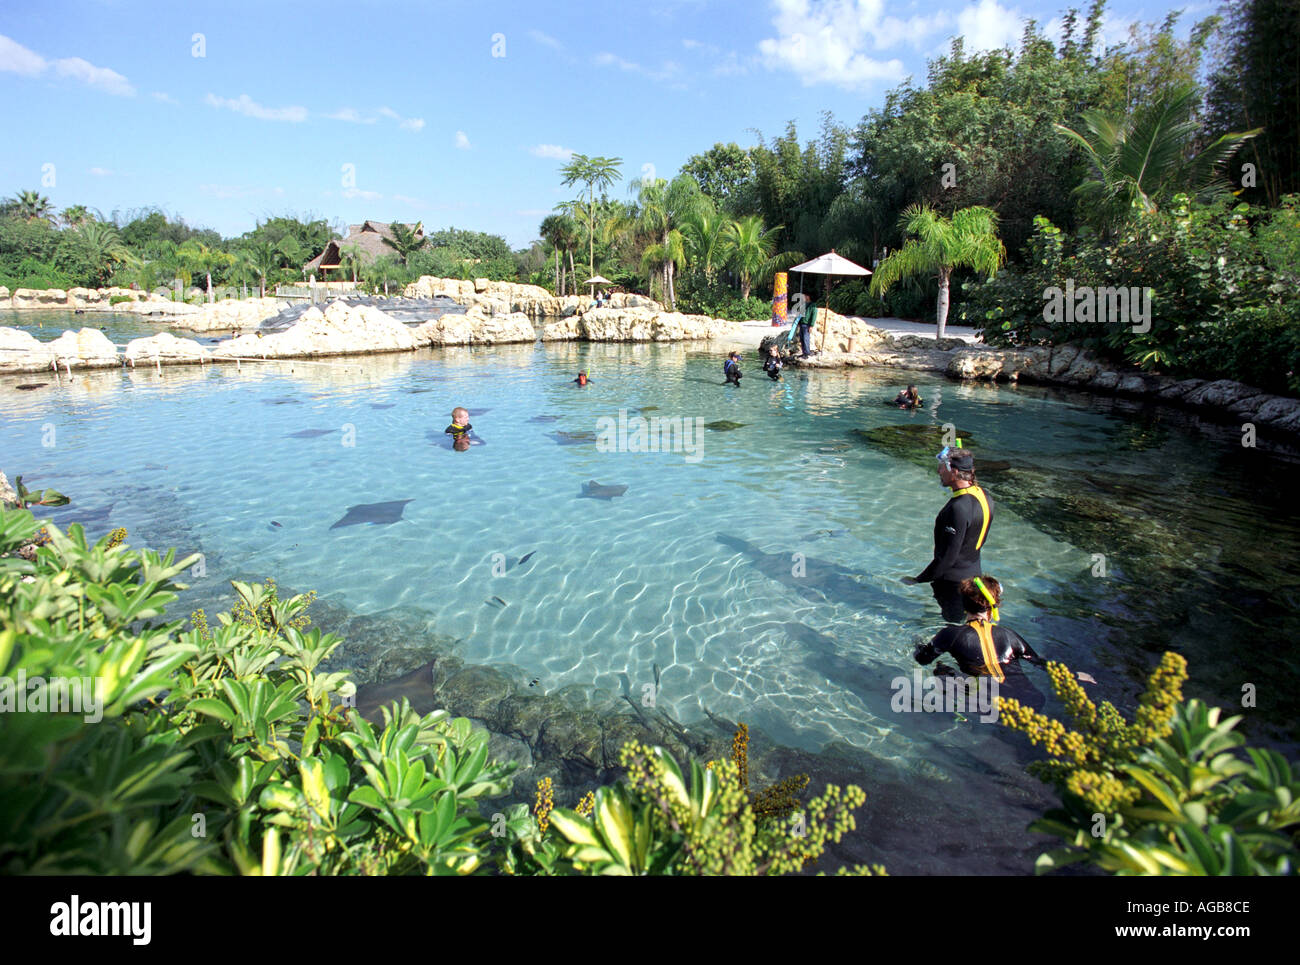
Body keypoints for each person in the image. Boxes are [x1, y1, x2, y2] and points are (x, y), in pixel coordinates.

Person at [915, 576, 1095, 683]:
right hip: (1030, 699)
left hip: (987, 702)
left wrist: (918, 643)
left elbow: (922, 660)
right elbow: (1038, 662)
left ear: (963, 605)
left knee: (940, 671)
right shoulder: (1010, 635)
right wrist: (1075, 675)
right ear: (994, 608)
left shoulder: (950, 634)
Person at [904, 445, 994, 623]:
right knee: (968, 624)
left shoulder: (958, 508)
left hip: (953, 584)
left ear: (954, 471)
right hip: (974, 577)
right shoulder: (985, 496)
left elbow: (947, 558)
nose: (938, 471)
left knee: (952, 630)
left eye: (941, 467)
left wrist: (918, 579)